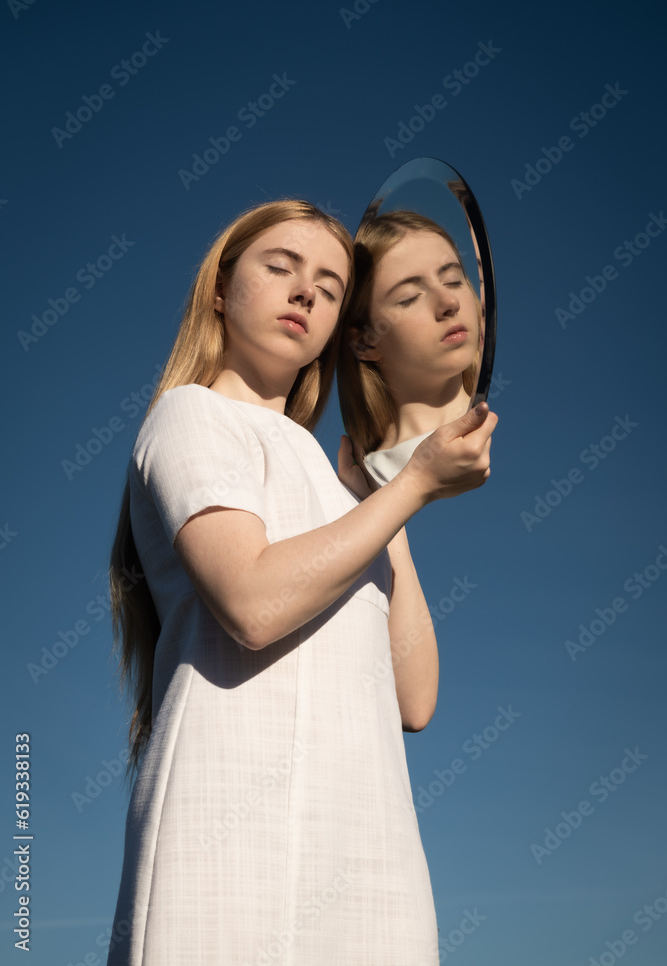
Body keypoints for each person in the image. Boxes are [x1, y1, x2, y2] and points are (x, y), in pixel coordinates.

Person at [106, 199, 497, 965]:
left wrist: (386, 501)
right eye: (280, 268)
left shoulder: (340, 480)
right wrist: (411, 486)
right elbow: (252, 603)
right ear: (220, 289)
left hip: (367, 850)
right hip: (225, 844)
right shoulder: (191, 416)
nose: (304, 292)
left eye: (328, 283)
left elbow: (414, 698)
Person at [338, 209, 483, 486]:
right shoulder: (368, 484)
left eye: (453, 281)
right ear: (365, 341)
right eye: (409, 298)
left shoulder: (535, 413)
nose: (449, 302)